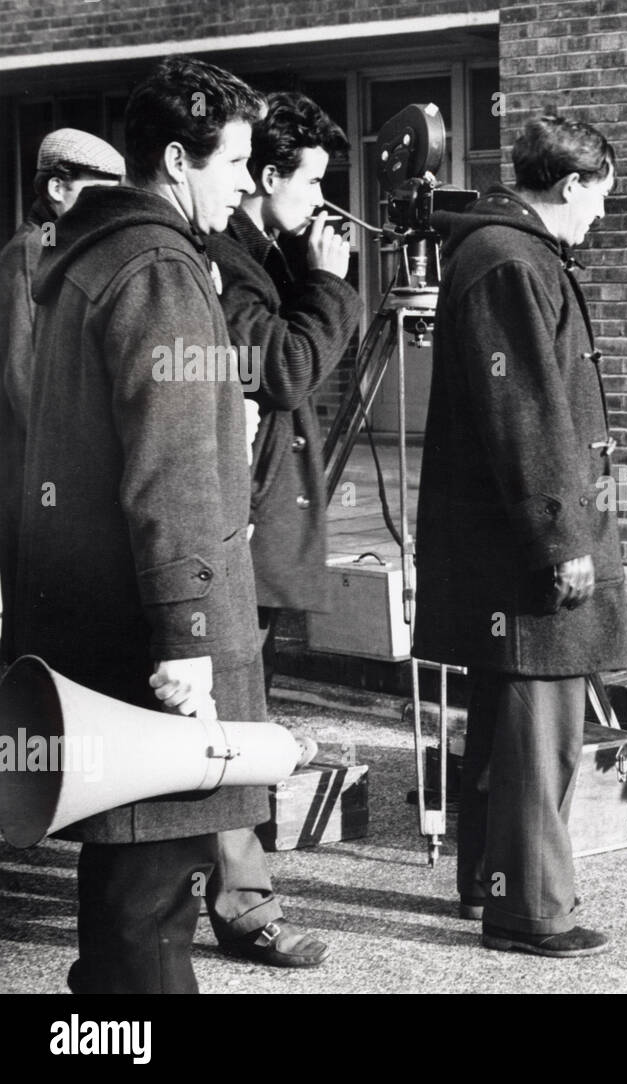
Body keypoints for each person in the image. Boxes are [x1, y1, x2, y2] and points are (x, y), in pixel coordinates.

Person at [14, 56, 267, 993]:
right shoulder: (160, 267)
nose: (246, 182)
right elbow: (172, 473)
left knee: (126, 892)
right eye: (235, 160)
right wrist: (191, 632)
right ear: (175, 157)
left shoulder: (92, 259)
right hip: (153, 639)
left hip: (97, 619)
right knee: (152, 905)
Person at [413, 114, 627, 957]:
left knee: (508, 731)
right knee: (542, 733)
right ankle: (532, 910)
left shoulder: (503, 253)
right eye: (601, 200)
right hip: (525, 555)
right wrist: (562, 538)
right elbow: (527, 416)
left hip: (501, 544)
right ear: (570, 186)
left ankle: (488, 887)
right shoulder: (514, 260)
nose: (603, 218)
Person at [204, 90, 359, 968]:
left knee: (237, 704)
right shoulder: (226, 261)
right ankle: (242, 902)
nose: (321, 205)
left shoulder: (263, 253)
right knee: (233, 710)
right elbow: (285, 368)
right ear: (266, 176)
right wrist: (329, 283)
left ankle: (226, 886)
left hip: (248, 521)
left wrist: (312, 271)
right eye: (312, 184)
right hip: (228, 526)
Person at [0, 129, 124, 665]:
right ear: (57, 188)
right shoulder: (35, 249)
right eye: (98, 191)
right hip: (37, 475)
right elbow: (24, 378)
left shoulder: (58, 246)